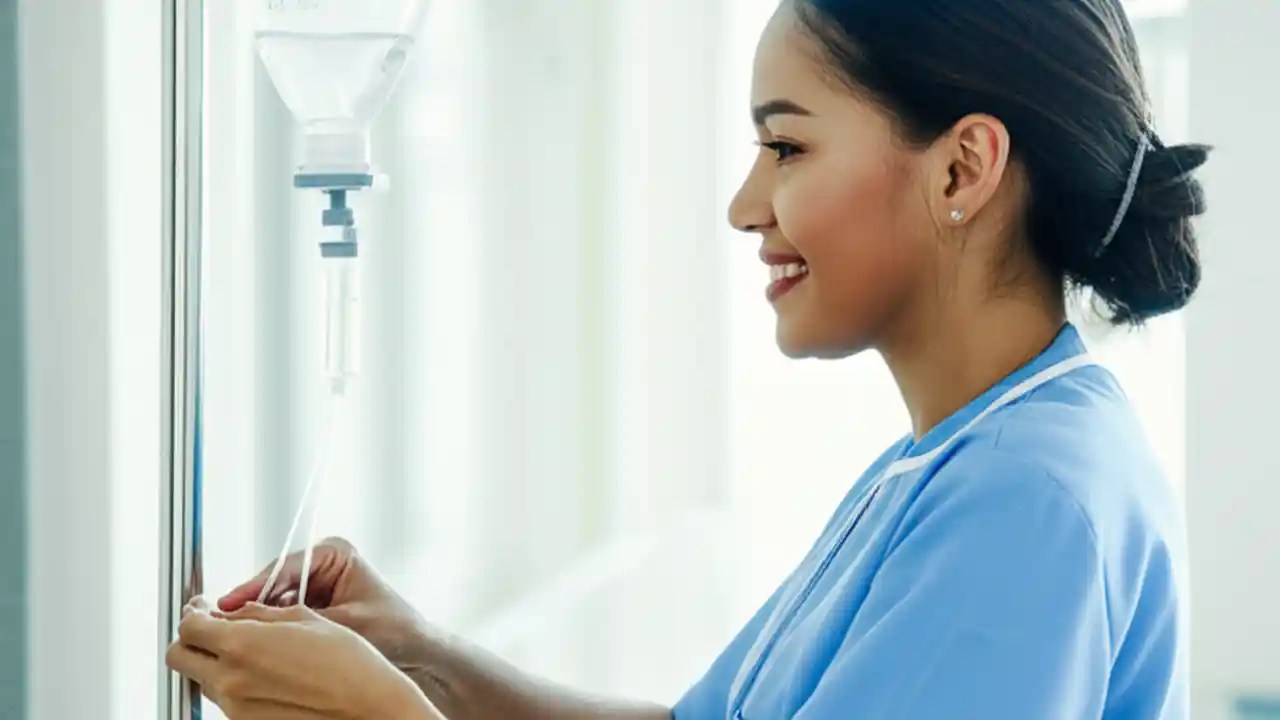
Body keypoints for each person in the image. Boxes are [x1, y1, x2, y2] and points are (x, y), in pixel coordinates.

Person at [166, 0, 1210, 717]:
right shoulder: (959, 462)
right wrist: (421, 659)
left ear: (962, 166)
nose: (744, 206)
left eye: (787, 147)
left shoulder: (1027, 503)